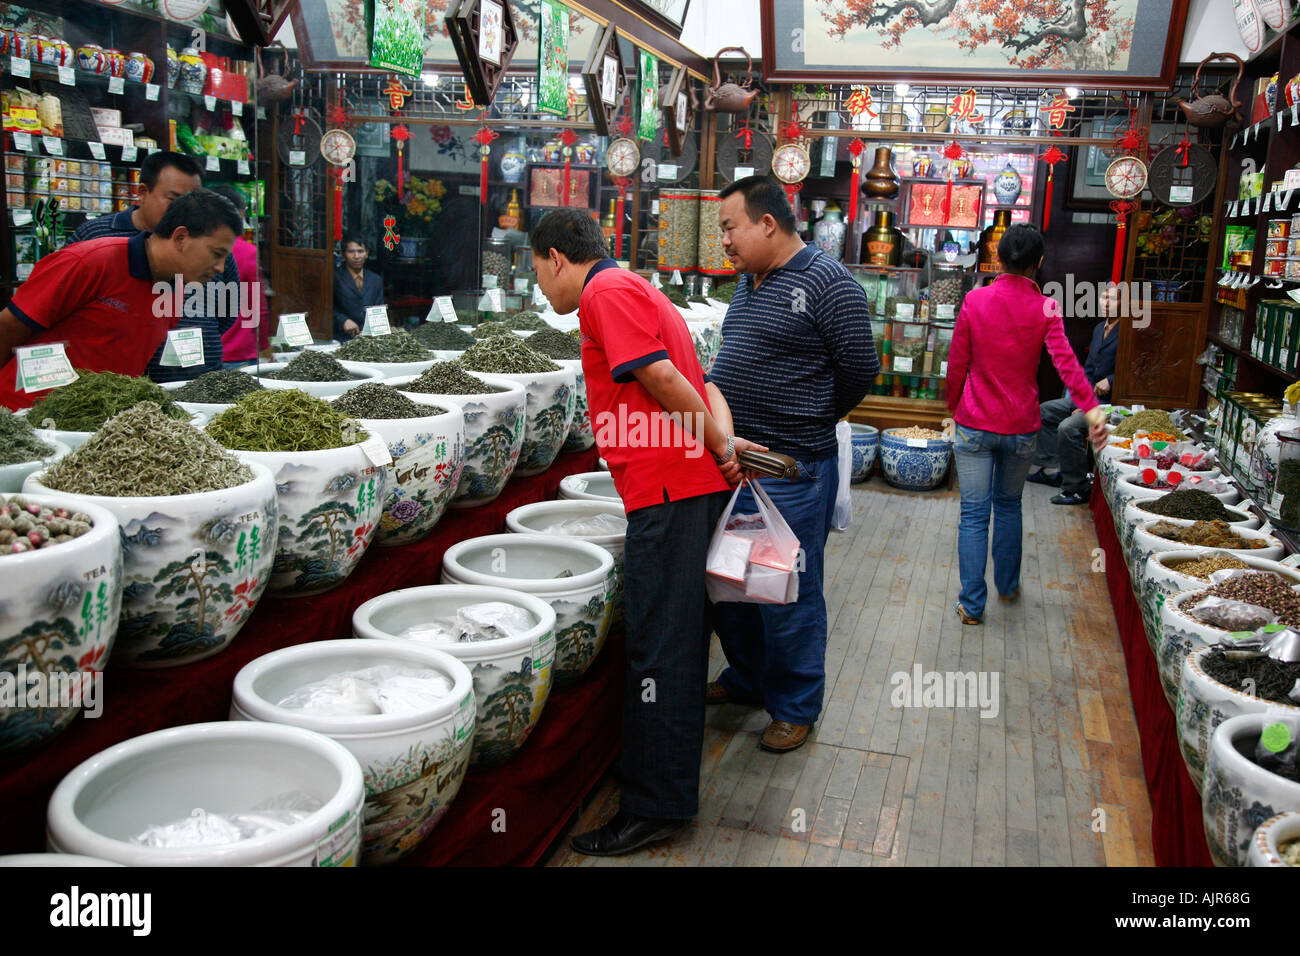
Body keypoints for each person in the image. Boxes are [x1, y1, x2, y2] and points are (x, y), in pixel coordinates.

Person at [529, 208, 764, 857]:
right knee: (674, 644)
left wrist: (720, 446)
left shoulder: (605, 291)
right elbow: (703, 382)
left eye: (537, 275)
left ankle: (655, 807)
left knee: (658, 651)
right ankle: (663, 788)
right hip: (676, 489)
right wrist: (721, 439)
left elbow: (662, 379)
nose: (541, 291)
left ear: (555, 258)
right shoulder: (630, 288)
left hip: (671, 492)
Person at [706, 176, 878, 754]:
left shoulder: (830, 284)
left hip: (789, 470)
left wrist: (806, 419)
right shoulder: (748, 283)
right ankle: (749, 679)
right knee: (735, 586)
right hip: (736, 465)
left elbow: (860, 370)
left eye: (730, 227)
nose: (724, 240)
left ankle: (795, 705)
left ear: (767, 224)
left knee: (786, 593)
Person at [944, 224, 1109, 625]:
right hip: (1020, 427)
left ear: (998, 259)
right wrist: (1092, 411)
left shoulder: (975, 300)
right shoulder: (1046, 308)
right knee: (1008, 506)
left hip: (974, 424)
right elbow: (1067, 364)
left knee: (974, 514)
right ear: (1039, 263)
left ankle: (972, 604)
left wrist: (952, 410)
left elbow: (957, 365)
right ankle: (1008, 585)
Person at [0, 189, 243, 410]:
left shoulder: (175, 288)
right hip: (26, 413)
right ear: (180, 237)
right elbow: (8, 326)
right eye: (216, 254)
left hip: (89, 421)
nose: (221, 268)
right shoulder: (92, 261)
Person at [67, 150, 239, 383]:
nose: (187, 211)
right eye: (175, 199)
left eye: (194, 200)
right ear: (142, 193)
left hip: (201, 383)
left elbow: (228, 311)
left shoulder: (209, 247)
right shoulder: (95, 237)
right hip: (120, 389)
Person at [1026, 283, 1121, 505]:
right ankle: (1057, 468)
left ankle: (1076, 487)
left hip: (1108, 403)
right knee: (1044, 411)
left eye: (1113, 299)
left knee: (1068, 427)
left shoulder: (1128, 333)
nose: (1107, 303)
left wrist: (1111, 381)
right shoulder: (1100, 329)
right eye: (1104, 298)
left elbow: (1136, 370)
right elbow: (1088, 369)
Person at [209, 185, 271, 368]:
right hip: (240, 352)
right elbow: (257, 306)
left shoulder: (194, 249)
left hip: (207, 351)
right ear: (238, 214)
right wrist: (264, 345)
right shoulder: (247, 251)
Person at [334, 236, 384, 341]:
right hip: (341, 337)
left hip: (370, 339)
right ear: (344, 254)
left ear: (367, 253)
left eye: (360, 251)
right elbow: (326, 307)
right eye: (351, 252)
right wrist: (343, 321)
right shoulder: (334, 277)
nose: (356, 256)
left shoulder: (375, 280)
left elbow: (379, 308)